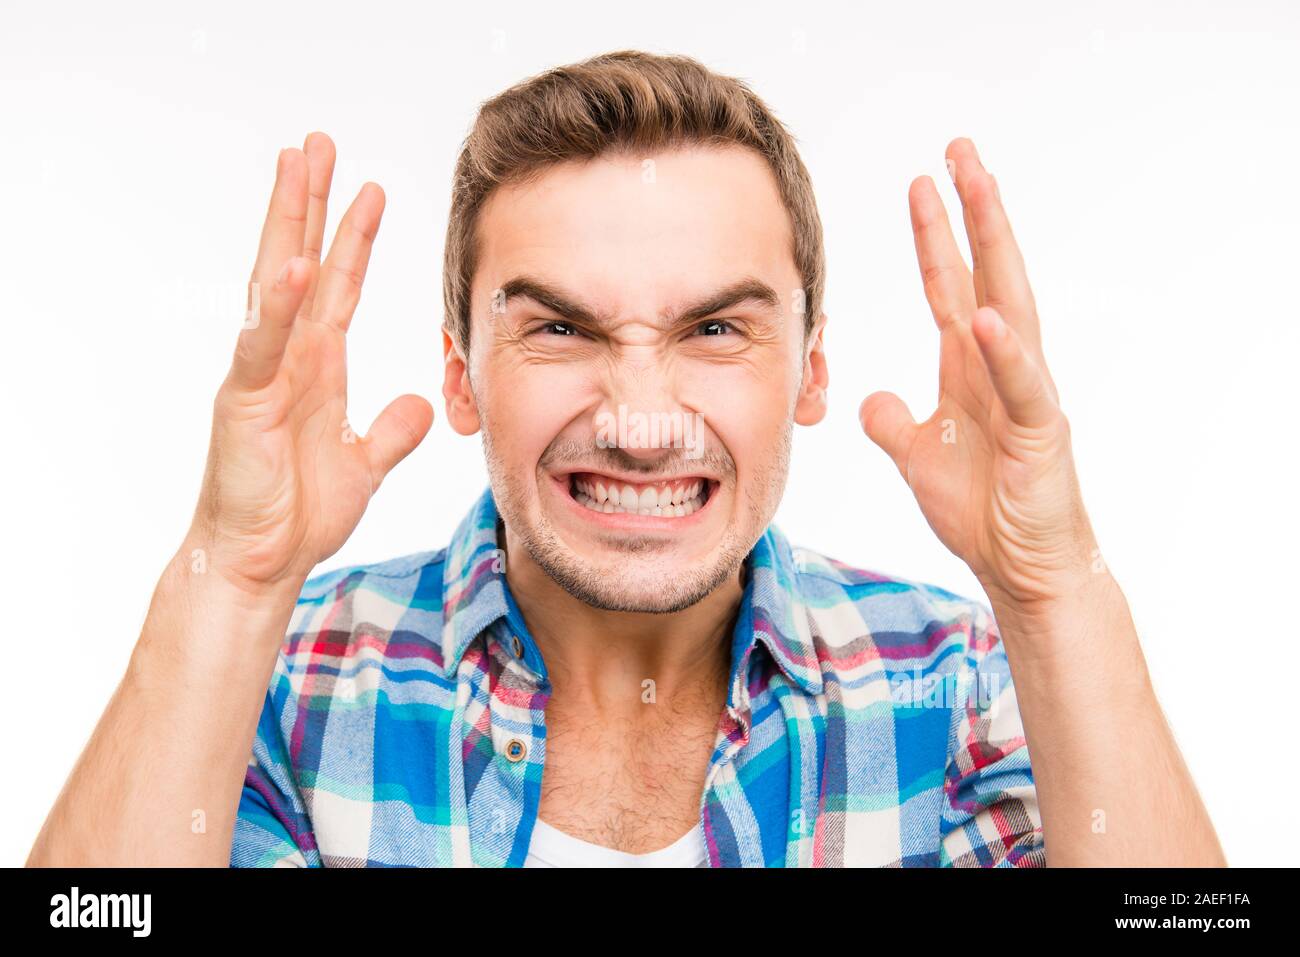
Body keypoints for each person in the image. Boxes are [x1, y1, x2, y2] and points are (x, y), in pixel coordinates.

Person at [27, 50, 1224, 867]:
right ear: (461, 374)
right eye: (559, 328)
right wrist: (230, 579)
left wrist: (1053, 584)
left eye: (713, 329)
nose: (640, 417)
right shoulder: (287, 683)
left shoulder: (950, 684)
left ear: (807, 372)